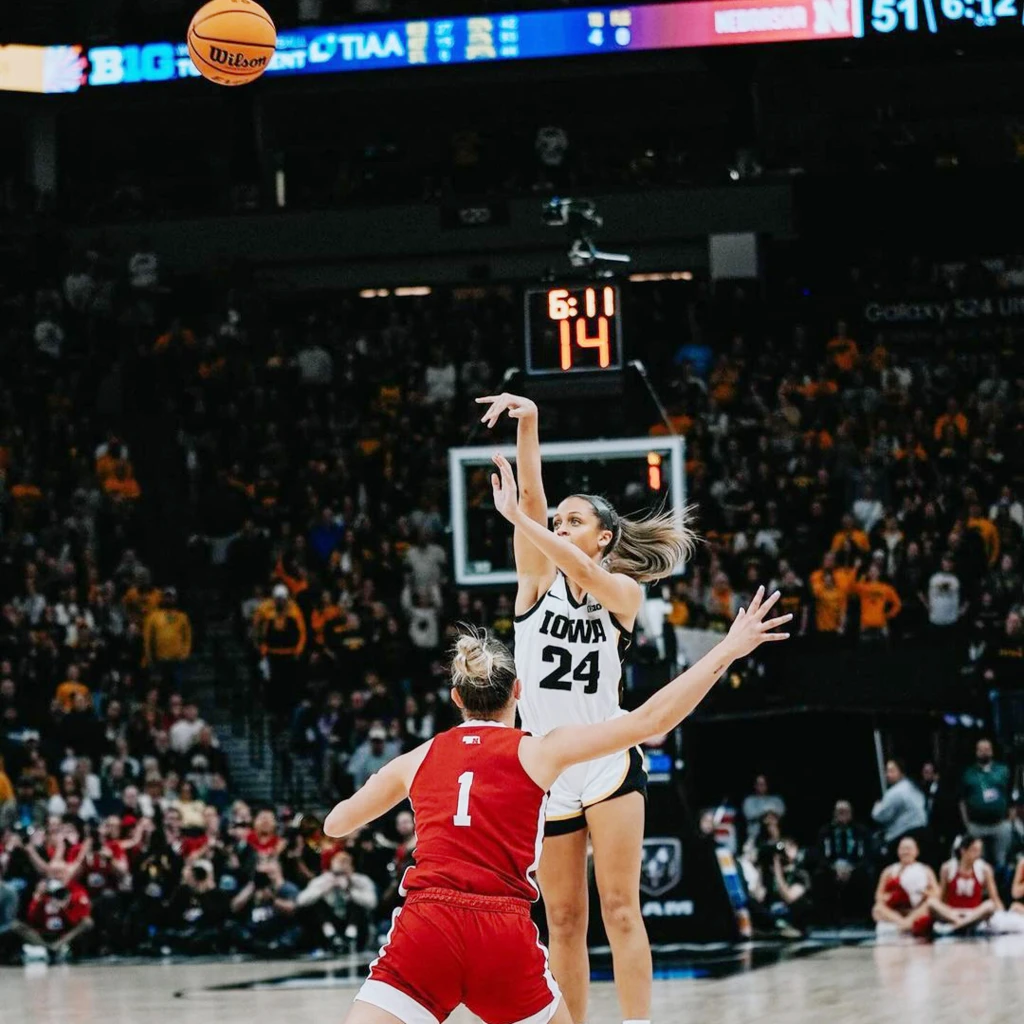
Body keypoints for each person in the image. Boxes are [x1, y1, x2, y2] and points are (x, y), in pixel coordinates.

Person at [323, 588, 789, 1024]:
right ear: (518, 693)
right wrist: (728, 649)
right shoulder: (541, 750)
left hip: (427, 926)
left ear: (457, 698)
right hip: (501, 934)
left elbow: (337, 822)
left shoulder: (420, 756)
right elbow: (653, 718)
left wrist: (385, 783)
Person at [479, 394, 696, 1024]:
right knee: (564, 920)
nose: (561, 528)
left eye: (577, 522)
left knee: (621, 909)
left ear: (604, 538)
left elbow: (546, 530)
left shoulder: (621, 592)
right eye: (560, 520)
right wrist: (530, 424)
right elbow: (537, 502)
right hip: (545, 770)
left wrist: (523, 520)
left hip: (606, 764)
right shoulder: (533, 585)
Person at [813, 800, 873, 925]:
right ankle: (826, 920)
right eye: (839, 812)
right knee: (819, 875)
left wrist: (851, 869)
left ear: (851, 814)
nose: (842, 815)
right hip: (832, 867)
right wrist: (834, 869)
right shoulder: (825, 831)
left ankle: (862, 918)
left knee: (867, 874)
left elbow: (867, 855)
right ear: (834, 814)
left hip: (855, 866)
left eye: (845, 812)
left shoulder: (861, 830)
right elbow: (820, 856)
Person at [929, 835, 1002, 935]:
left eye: (979, 850)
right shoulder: (947, 868)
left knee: (989, 905)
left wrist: (1002, 914)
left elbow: (994, 897)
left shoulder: (985, 869)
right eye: (974, 850)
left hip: (974, 913)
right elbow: (941, 896)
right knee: (931, 902)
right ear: (963, 850)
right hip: (952, 913)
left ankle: (957, 926)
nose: (978, 854)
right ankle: (960, 923)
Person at [959, 738, 1013, 868]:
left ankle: (1001, 887)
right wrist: (967, 823)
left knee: (1001, 861)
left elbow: (1010, 795)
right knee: (977, 863)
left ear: (992, 752)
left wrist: (1010, 820)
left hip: (1000, 824)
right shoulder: (968, 773)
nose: (984, 752)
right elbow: (962, 800)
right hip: (977, 826)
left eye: (987, 749)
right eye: (981, 750)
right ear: (976, 752)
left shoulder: (1003, 770)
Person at [871, 836, 938, 937]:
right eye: (903, 849)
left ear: (916, 851)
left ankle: (906, 924)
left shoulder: (925, 870)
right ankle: (904, 923)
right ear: (898, 851)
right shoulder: (889, 871)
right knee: (877, 909)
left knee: (931, 904)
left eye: (909, 849)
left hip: (916, 910)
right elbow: (878, 896)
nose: (906, 852)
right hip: (895, 912)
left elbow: (937, 893)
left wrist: (923, 893)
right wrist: (890, 897)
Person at [871, 759, 928, 857]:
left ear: (901, 772)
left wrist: (877, 806)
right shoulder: (913, 786)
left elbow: (879, 815)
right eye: (887, 771)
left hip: (904, 835)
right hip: (922, 832)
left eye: (891, 771)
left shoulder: (896, 792)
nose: (887, 774)